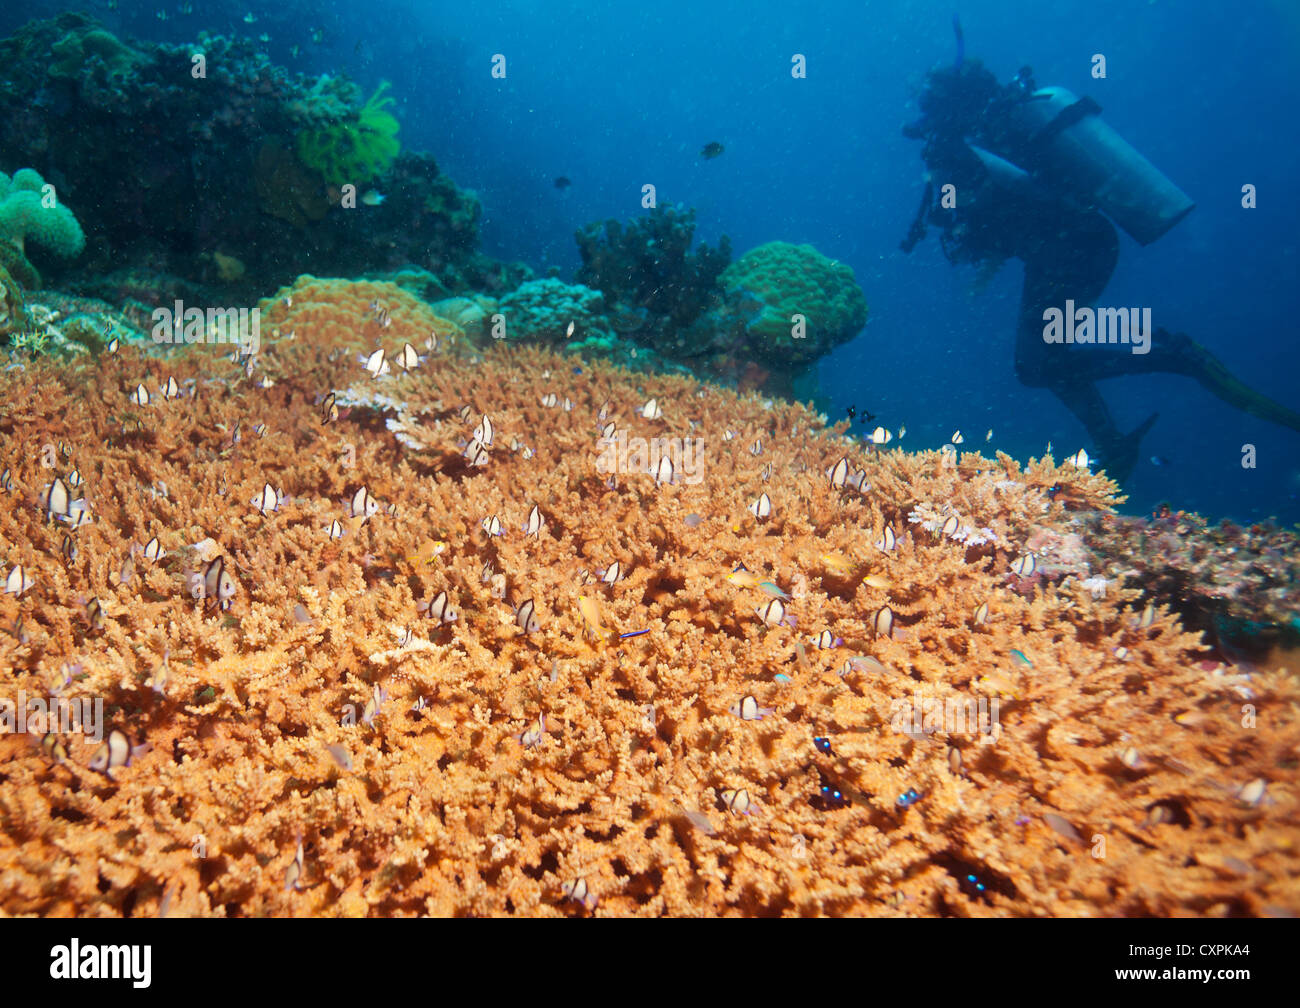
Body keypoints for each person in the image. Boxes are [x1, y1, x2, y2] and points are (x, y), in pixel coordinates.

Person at [900, 54, 1300, 482]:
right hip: (1075, 249)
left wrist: (960, 212)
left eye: (928, 109)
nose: (922, 121)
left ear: (947, 110)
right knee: (1045, 358)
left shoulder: (969, 150)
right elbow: (1016, 211)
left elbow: (994, 214)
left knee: (1038, 363)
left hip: (1071, 253)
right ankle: (1114, 435)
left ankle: (1174, 355)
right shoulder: (996, 135)